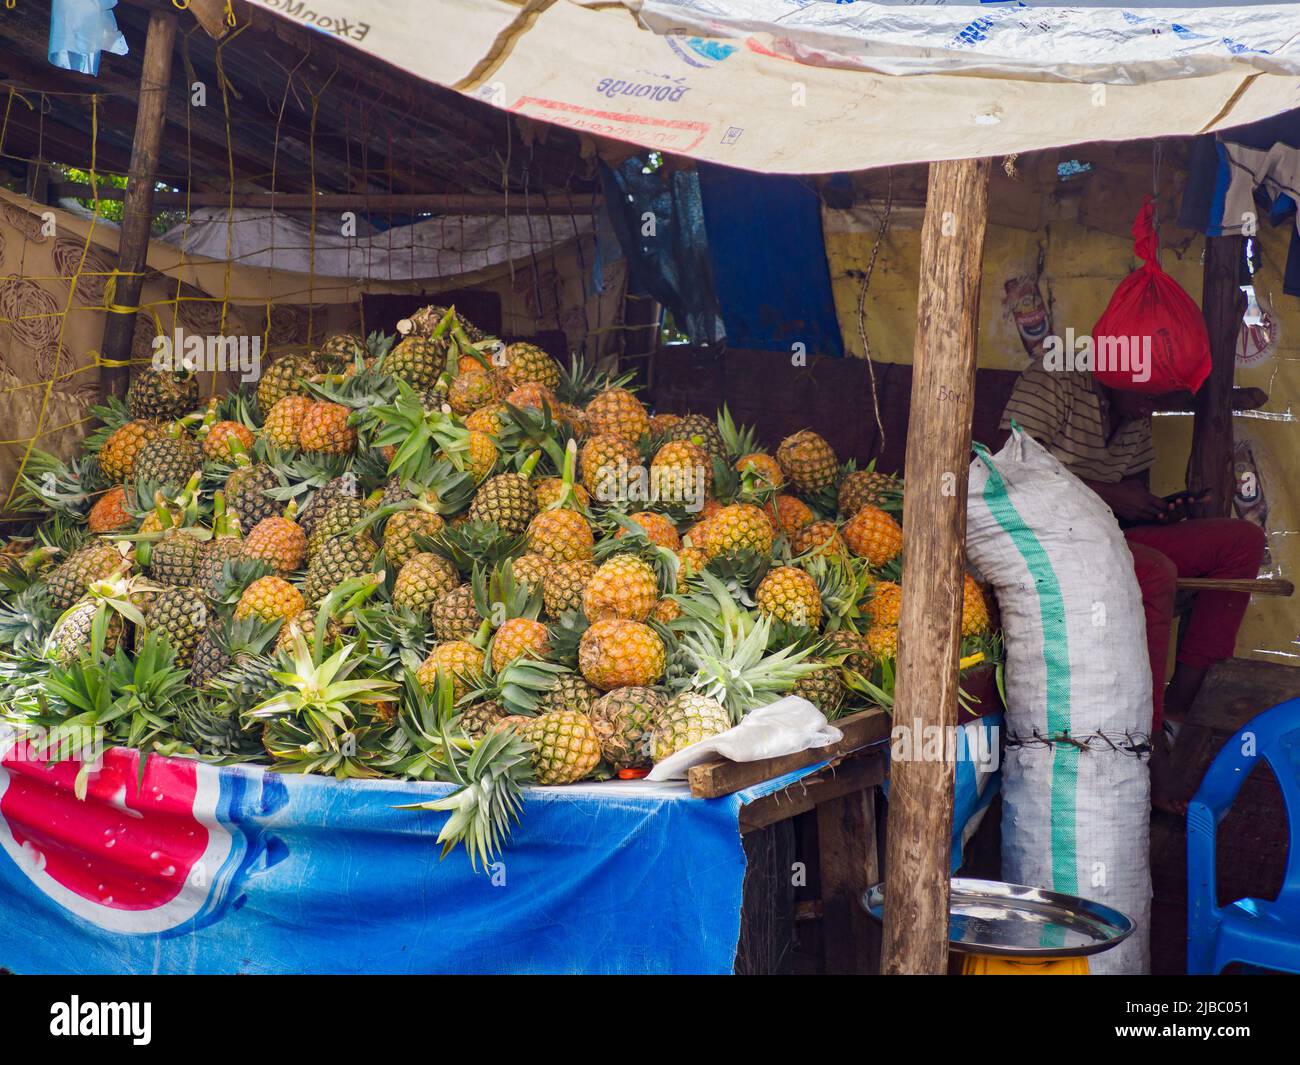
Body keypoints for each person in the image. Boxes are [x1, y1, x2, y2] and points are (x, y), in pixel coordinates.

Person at [999, 361, 1267, 812]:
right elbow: (1005, 472)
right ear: (1113, 372)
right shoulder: (1054, 378)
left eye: (1160, 400)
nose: (1151, 410)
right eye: (1146, 397)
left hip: (1105, 536)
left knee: (1242, 542)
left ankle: (1178, 710)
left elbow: (1123, 507)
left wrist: (1155, 509)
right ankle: (1149, 737)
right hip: (1042, 540)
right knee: (1154, 571)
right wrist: (1107, 492)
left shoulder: (1137, 412)